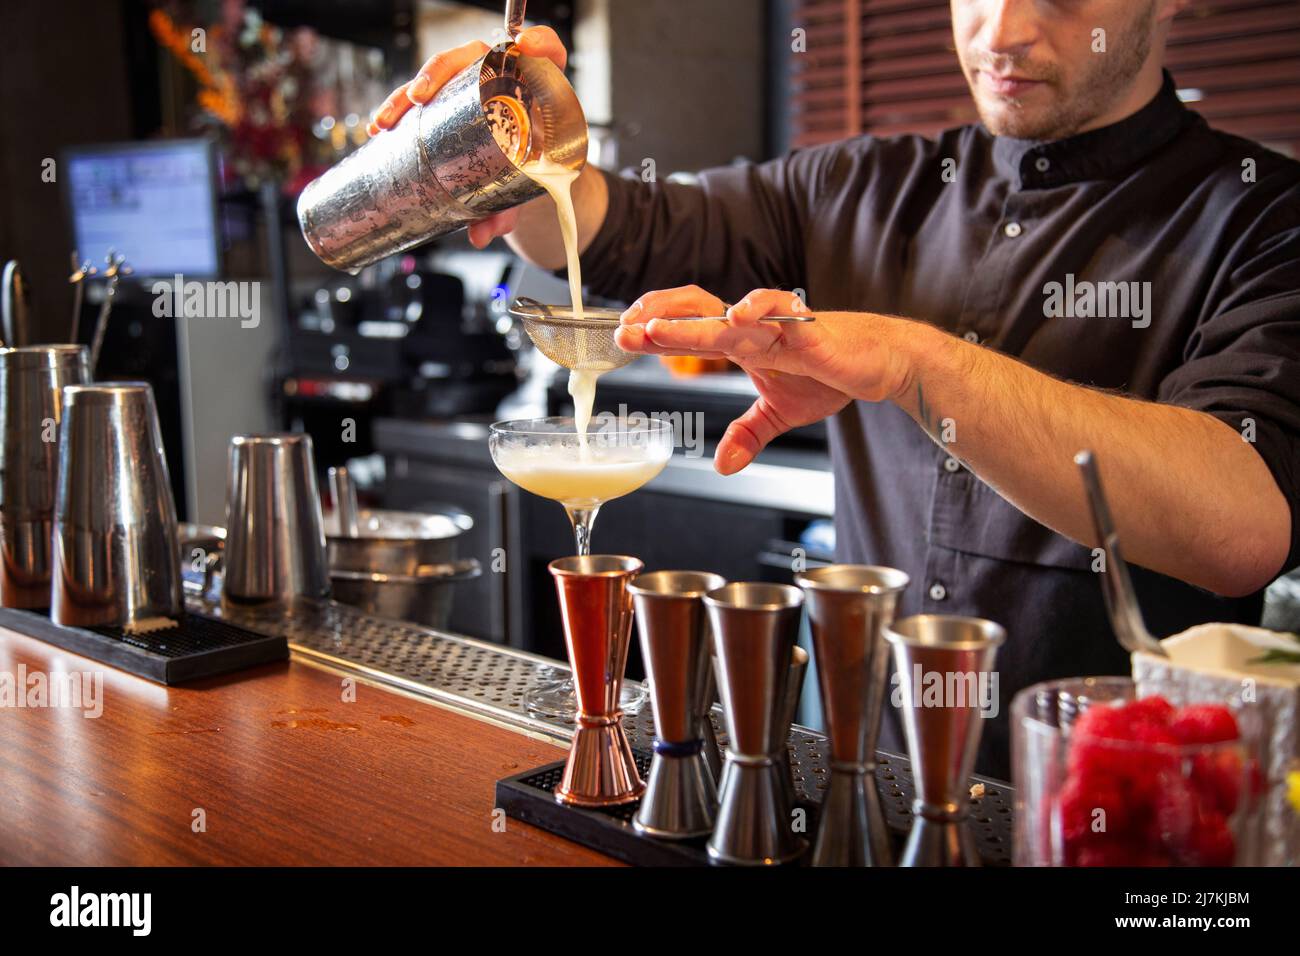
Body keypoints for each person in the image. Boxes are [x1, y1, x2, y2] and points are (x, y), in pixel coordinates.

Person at [373, 2, 1300, 778]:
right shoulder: (860, 185)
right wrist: (513, 138)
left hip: (1131, 822)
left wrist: (916, 366)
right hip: (866, 795)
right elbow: (614, 222)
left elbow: (1240, 528)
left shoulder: (1264, 218)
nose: (1005, 30)